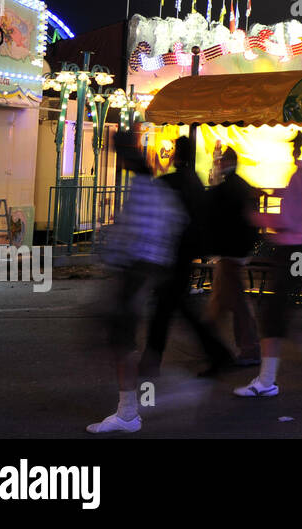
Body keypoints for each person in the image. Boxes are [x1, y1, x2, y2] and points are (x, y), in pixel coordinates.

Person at [88, 133, 187, 433]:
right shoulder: (155, 190)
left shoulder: (145, 190)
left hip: (136, 270)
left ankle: (130, 411)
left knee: (122, 341)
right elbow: (174, 223)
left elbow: (133, 235)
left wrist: (119, 261)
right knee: (123, 340)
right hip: (144, 269)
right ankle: (129, 408)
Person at [235, 130, 302, 397]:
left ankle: (267, 380)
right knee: (286, 313)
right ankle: (267, 379)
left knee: (277, 314)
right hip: (300, 250)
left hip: (292, 250)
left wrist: (257, 218)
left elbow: (288, 220)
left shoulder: (297, 179)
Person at [141, 137, 233, 378]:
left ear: (176, 155)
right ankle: (214, 354)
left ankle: (153, 361)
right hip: (186, 253)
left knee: (168, 308)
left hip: (170, 254)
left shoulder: (170, 182)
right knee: (173, 307)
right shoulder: (195, 181)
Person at [203, 147, 261, 368]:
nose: (218, 164)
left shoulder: (227, 189)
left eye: (220, 161)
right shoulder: (242, 187)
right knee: (221, 300)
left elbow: (213, 211)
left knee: (233, 302)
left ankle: (248, 349)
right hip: (237, 251)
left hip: (230, 252)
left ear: (225, 163)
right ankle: (211, 344)